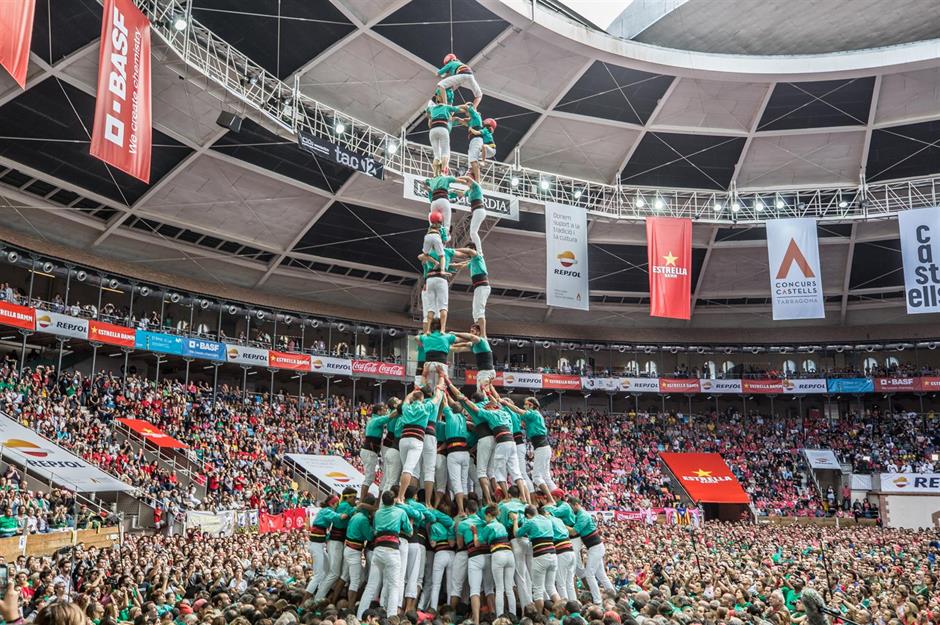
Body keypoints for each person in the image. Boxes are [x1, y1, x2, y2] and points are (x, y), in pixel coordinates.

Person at [357, 491, 413, 619]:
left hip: (378, 550)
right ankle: (391, 618)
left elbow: (376, 530)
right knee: (394, 586)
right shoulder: (401, 512)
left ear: (382, 501)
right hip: (392, 551)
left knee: (371, 585)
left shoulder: (377, 513)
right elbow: (409, 532)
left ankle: (360, 616)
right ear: (394, 501)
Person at [396, 382, 445, 500]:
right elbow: (438, 398)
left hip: (403, 439)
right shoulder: (425, 407)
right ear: (422, 399)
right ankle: (407, 498)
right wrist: (438, 387)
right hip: (417, 439)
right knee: (419, 469)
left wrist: (413, 391)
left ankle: (407, 497)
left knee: (410, 470)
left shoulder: (406, 407)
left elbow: (407, 398)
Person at [504, 396, 556, 496]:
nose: (524, 406)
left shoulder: (534, 413)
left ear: (531, 405)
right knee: (546, 477)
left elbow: (518, 410)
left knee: (536, 477)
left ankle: (551, 499)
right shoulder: (534, 415)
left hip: (541, 447)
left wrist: (506, 403)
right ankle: (559, 498)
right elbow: (518, 416)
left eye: (526, 404)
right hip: (543, 447)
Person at [570, 496, 614, 605]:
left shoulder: (583, 515)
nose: (571, 510)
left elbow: (574, 532)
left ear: (576, 504)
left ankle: (597, 600)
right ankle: (614, 595)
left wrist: (561, 524)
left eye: (571, 507)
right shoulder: (580, 515)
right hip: (594, 548)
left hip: (596, 548)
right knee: (601, 575)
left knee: (589, 574)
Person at [315, 488, 357, 601]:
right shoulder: (344, 506)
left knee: (333, 573)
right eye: (354, 498)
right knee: (334, 573)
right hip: (336, 542)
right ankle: (318, 598)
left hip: (337, 542)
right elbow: (340, 520)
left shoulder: (346, 506)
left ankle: (322, 596)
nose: (355, 500)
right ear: (348, 497)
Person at [514, 504, 557, 614]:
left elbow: (517, 533)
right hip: (553, 555)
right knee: (551, 588)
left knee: (538, 590)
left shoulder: (530, 521)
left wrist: (515, 520)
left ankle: (539, 617)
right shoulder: (547, 520)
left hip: (541, 556)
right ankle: (561, 612)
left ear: (528, 515)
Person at [476, 504, 515, 617]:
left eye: (485, 517)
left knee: (499, 588)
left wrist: (474, 533)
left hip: (498, 554)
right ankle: (513, 615)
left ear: (488, 515)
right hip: (509, 554)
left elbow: (478, 543)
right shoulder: (501, 525)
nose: (485, 519)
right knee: (509, 588)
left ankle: (499, 617)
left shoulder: (488, 527)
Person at [305, 494, 347, 599]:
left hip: (319, 545)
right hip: (316, 546)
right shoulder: (327, 511)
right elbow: (340, 517)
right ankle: (305, 602)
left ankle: (319, 593)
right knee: (318, 575)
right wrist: (351, 511)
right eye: (337, 504)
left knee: (328, 571)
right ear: (333, 503)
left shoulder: (325, 510)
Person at [344, 494, 376, 605]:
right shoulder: (363, 519)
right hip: (354, 551)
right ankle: (350, 606)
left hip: (350, 550)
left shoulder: (356, 515)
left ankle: (353, 603)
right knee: (355, 581)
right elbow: (370, 536)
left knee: (361, 578)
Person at [426, 96, 467, 176]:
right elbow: (460, 109)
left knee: (436, 155)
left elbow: (428, 118)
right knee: (445, 152)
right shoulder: (446, 107)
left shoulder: (431, 108)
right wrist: (468, 107)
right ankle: (442, 172)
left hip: (433, 130)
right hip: (443, 129)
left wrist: (431, 116)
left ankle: (435, 174)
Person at [361, 404, 392, 501]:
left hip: (370, 451)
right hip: (370, 452)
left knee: (370, 477)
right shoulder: (376, 420)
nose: (386, 411)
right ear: (378, 412)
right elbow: (390, 417)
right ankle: (361, 500)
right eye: (384, 409)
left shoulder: (373, 420)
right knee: (369, 477)